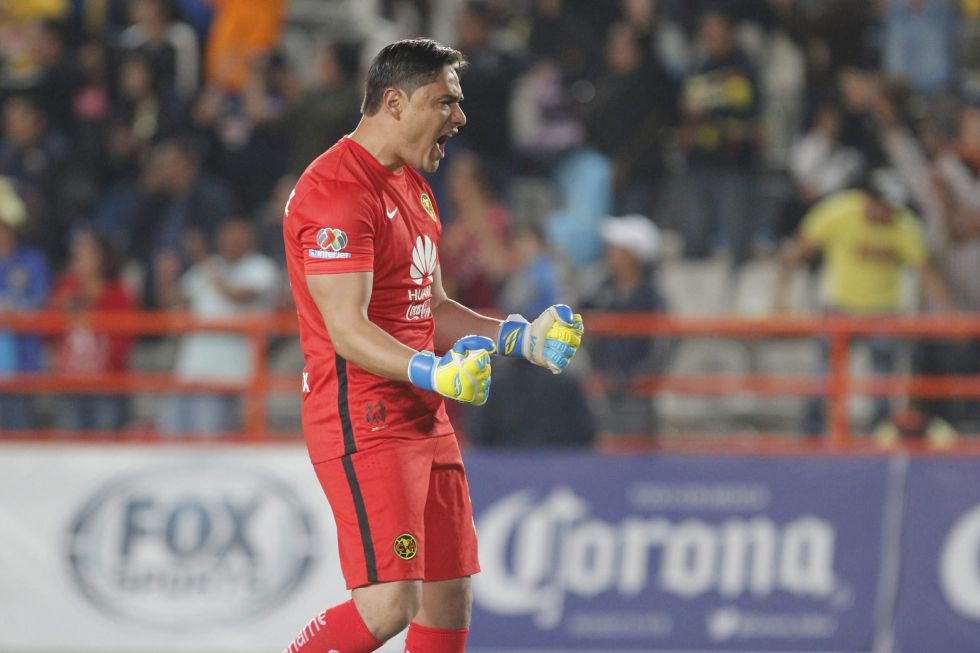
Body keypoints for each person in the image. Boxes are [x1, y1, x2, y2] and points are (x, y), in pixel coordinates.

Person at [281, 39, 584, 653]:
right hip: (364, 418)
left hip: (424, 414)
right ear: (394, 102)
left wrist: (518, 337)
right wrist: (434, 372)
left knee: (448, 597)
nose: (460, 117)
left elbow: (434, 305)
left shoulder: (413, 189)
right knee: (390, 604)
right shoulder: (337, 192)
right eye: (445, 101)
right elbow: (346, 328)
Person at [773, 172, 955, 435]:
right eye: (884, 205)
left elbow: (926, 272)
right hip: (840, 308)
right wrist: (780, 295)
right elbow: (798, 250)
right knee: (824, 378)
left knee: (882, 384)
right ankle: (810, 437)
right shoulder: (839, 211)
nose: (888, 213)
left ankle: (878, 439)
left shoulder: (903, 223)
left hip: (884, 312)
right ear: (869, 199)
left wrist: (947, 314)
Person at [48, 229, 136, 432]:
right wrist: (59, 309)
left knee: (104, 452)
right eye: (77, 253)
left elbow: (123, 342)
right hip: (71, 384)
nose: (79, 257)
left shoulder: (118, 294)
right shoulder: (66, 288)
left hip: (105, 386)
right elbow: (48, 334)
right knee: (72, 452)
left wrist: (89, 312)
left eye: (86, 252)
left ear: (101, 257)